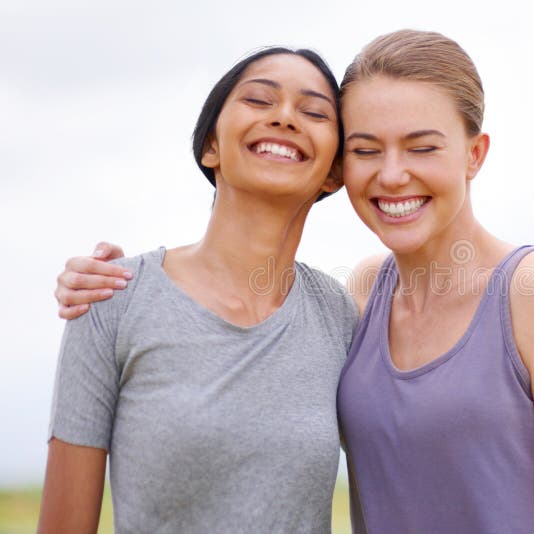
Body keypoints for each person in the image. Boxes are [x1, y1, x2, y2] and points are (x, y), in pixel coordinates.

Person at [54, 30, 534, 533]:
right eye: (367, 150)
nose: (393, 174)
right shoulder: (359, 298)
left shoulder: (529, 292)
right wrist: (118, 284)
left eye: (422, 147)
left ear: (475, 153)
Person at [40, 46, 358, 533]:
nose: (286, 119)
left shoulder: (339, 316)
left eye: (314, 112)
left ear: (335, 172)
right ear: (210, 145)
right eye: (259, 101)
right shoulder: (111, 299)